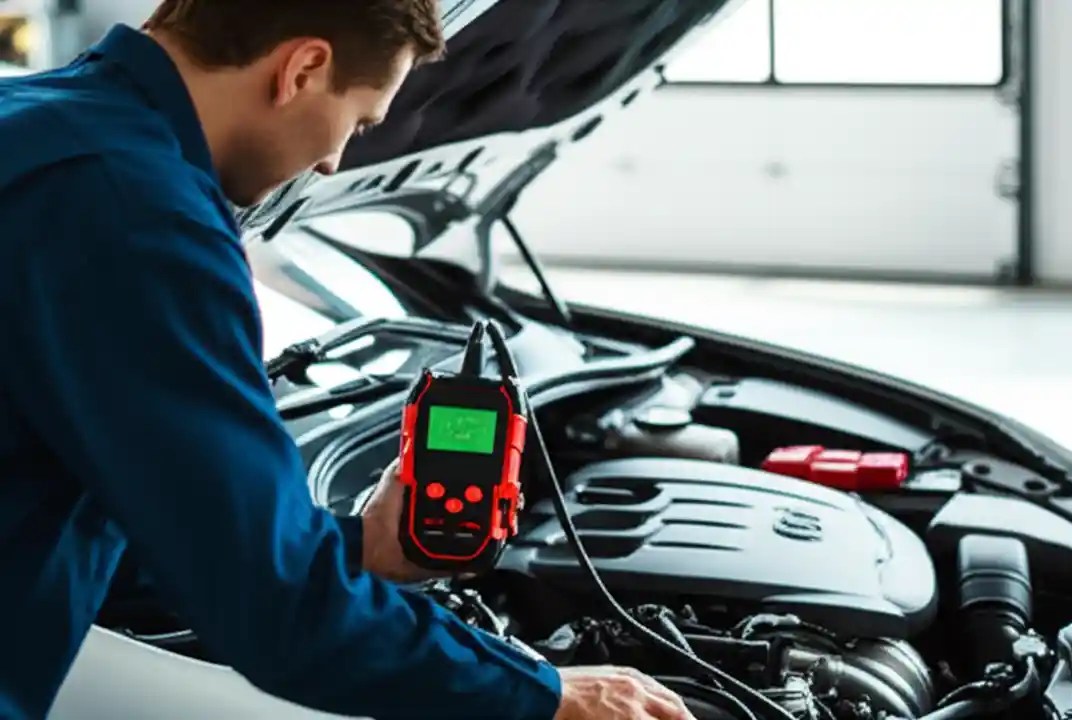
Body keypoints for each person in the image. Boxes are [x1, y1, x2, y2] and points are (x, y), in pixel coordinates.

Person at [0, 2, 694, 719]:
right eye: (361, 122)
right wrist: (544, 693)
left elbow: (117, 528)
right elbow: (274, 608)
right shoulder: (139, 214)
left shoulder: (34, 121)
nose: (334, 161)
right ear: (303, 67)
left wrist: (357, 544)